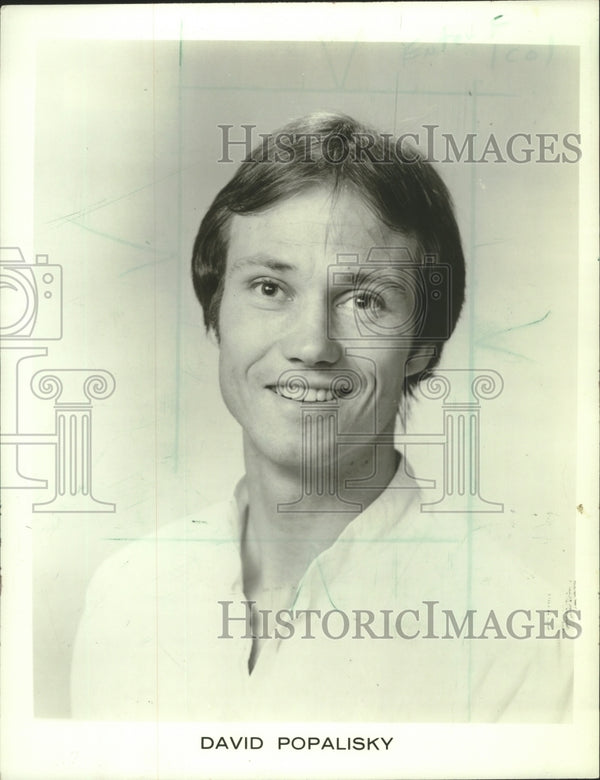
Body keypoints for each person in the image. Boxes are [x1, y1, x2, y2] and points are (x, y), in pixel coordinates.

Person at [71, 112, 573, 722]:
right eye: (270, 288)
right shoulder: (126, 593)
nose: (312, 345)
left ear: (421, 343)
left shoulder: (524, 645)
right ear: (216, 313)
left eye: (364, 300)